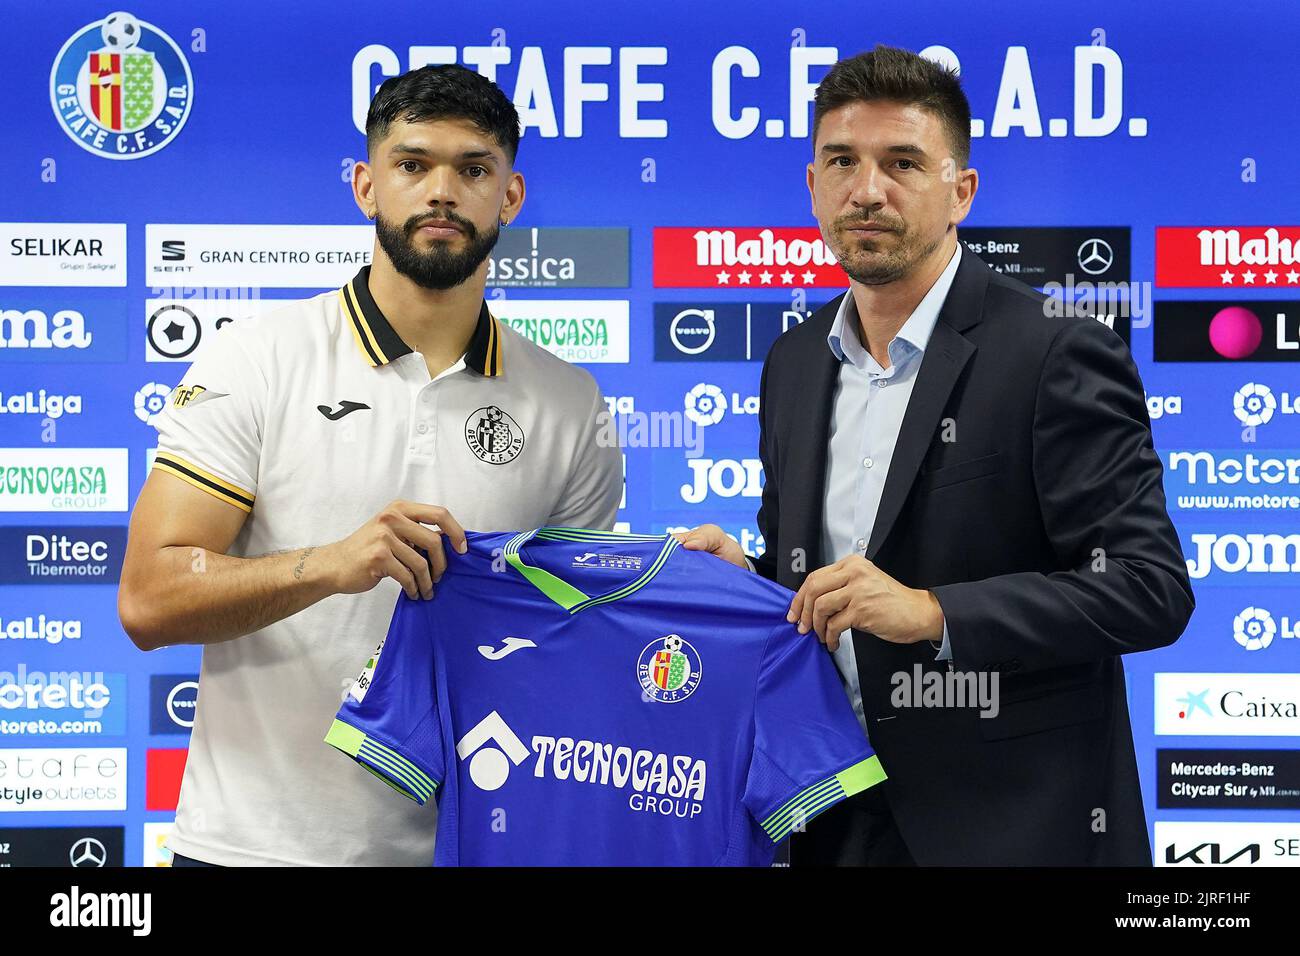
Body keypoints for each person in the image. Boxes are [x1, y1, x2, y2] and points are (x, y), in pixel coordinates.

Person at [679, 45, 1193, 866]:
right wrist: (744, 577)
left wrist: (935, 613)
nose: (867, 190)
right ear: (812, 185)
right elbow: (832, 583)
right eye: (841, 161)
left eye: (902, 163)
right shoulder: (794, 362)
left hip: (1016, 832)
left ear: (962, 192)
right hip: (829, 814)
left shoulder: (1055, 351)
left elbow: (1149, 590)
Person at [118, 65, 622, 866]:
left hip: (472, 848)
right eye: (413, 164)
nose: (443, 191)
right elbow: (149, 598)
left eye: (474, 168)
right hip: (254, 849)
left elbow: (577, 636)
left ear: (512, 196)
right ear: (365, 185)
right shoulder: (256, 361)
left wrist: (674, 579)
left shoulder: (568, 401)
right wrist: (329, 564)